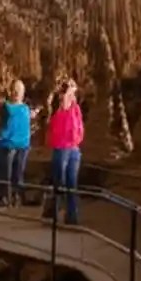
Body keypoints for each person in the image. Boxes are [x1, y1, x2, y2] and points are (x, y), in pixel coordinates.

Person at [47, 79, 84, 225]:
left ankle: (72, 215)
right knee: (59, 182)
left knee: (72, 184)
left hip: (73, 148)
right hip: (61, 147)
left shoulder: (76, 109)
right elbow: (56, 125)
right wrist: (64, 96)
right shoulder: (58, 108)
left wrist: (77, 140)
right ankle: (54, 212)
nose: (71, 95)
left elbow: (79, 126)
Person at [0, 79, 31, 207]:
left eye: (19, 90)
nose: (16, 92)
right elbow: (1, 125)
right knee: (5, 173)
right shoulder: (5, 107)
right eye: (15, 89)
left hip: (22, 146)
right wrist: (1, 137)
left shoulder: (25, 108)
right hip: (7, 144)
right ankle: (3, 197)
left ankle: (16, 196)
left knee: (18, 173)